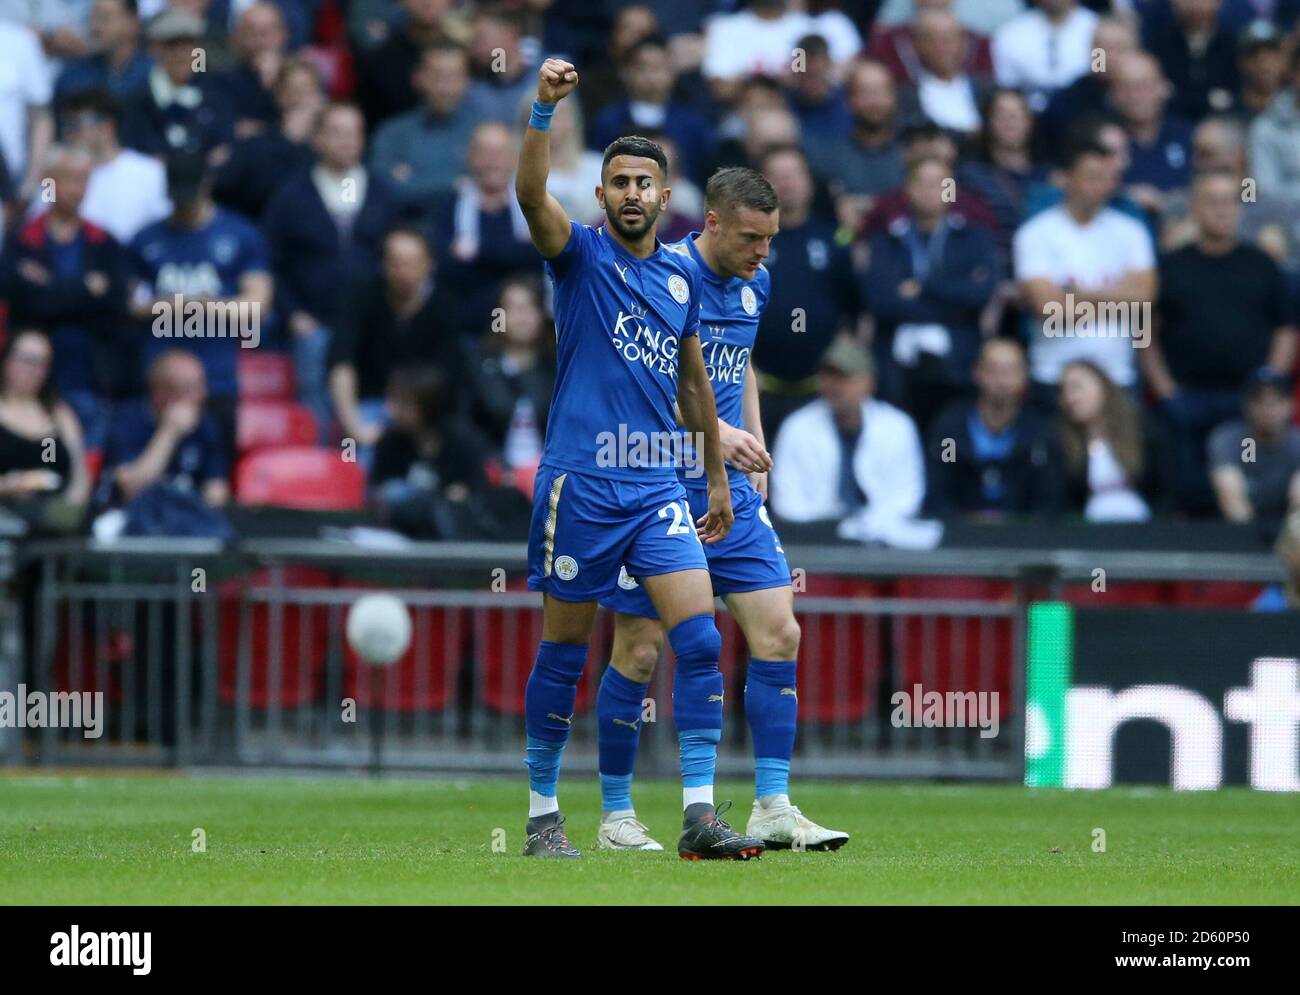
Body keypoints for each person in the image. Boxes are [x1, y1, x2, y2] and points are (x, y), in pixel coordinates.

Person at [514, 59, 746, 860]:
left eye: (645, 182)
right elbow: (528, 197)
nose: (632, 193)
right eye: (618, 181)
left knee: (702, 638)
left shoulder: (682, 279)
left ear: (666, 194)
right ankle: (545, 814)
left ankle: (698, 812)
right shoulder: (577, 257)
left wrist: (715, 473)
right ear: (603, 193)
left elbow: (692, 383)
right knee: (566, 650)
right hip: (579, 482)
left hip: (655, 487)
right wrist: (543, 112)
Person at [593, 167, 848, 854]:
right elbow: (643, 381)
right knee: (640, 649)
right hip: (655, 488)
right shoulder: (661, 276)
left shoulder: (755, 281)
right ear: (709, 222)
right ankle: (617, 815)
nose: (761, 253)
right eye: (749, 238)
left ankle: (772, 804)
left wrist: (750, 435)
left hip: (728, 491)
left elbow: (740, 369)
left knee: (779, 633)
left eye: (769, 239)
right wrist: (714, 433)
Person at [1146, 170, 1296, 514]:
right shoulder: (1171, 266)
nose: (1222, 210)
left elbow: (1285, 327)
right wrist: (1165, 387)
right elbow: (1145, 329)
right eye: (1212, 202)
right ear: (1194, 209)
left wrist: (1271, 380)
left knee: (1248, 484)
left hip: (1248, 401)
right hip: (1187, 398)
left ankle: (1248, 551)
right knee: (1188, 488)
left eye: (1230, 202)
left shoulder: (1262, 265)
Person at [263, 101, 400, 443]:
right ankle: (321, 472)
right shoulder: (291, 195)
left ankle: (368, 478)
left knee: (374, 402)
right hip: (315, 322)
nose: (345, 141)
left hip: (372, 324)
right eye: (336, 132)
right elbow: (270, 264)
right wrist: (293, 313)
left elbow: (398, 255)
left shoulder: (383, 193)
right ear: (317, 139)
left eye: (353, 133)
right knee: (316, 404)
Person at [127, 150, 272, 458]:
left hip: (216, 379)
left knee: (215, 476)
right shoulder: (145, 239)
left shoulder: (240, 235)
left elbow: (257, 305)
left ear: (207, 183)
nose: (183, 203)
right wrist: (171, 305)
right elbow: (132, 304)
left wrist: (204, 306)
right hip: (159, 379)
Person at [2, 144, 129, 451]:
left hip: (91, 377)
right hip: (34, 385)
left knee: (90, 465)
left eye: (84, 180)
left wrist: (52, 287)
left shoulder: (104, 242)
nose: (78, 189)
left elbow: (113, 305)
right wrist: (84, 289)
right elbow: (25, 300)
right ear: (49, 182)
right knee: (42, 464)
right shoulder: (22, 239)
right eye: (69, 179)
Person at [862, 154, 999, 431]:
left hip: (958, 366)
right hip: (895, 369)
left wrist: (923, 286)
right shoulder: (887, 239)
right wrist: (951, 305)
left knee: (949, 441)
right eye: (921, 183)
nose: (930, 191)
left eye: (939, 183)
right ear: (907, 190)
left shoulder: (975, 238)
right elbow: (881, 301)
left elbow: (980, 294)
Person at [1014, 141, 1156, 404]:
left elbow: (1144, 302)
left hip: (1117, 374)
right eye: (1090, 177)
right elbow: (1050, 311)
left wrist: (1080, 294)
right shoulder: (1035, 233)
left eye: (1105, 178)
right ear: (1066, 178)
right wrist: (1118, 298)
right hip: (1052, 373)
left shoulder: (1131, 231)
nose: (1099, 186)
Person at [753, 144, 861, 439]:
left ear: (809, 182)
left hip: (824, 388)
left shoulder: (835, 238)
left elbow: (854, 308)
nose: (786, 184)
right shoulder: (747, 241)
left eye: (794, 175)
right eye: (777, 176)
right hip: (759, 388)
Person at [327, 226, 460, 460]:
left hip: (426, 412)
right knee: (359, 461)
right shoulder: (361, 299)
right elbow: (341, 363)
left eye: (410, 263)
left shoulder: (445, 306)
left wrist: (406, 417)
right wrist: (354, 425)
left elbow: (446, 377)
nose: (401, 271)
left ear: (429, 264)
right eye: (394, 262)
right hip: (369, 407)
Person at [770, 336, 925, 533]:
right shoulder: (796, 427)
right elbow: (787, 502)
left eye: (846, 377)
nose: (836, 385)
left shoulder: (898, 427)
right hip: (814, 542)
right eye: (829, 375)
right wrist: (835, 528)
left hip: (884, 542)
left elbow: (908, 497)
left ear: (869, 382)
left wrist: (865, 526)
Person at [925, 338, 1061, 517]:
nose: (1002, 380)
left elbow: (1050, 501)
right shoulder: (950, 432)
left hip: (1024, 537)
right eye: (993, 370)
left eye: (1011, 371)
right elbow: (939, 484)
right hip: (960, 535)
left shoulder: (1041, 434)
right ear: (976, 372)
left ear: (1025, 376)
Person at [99, 348, 229, 509]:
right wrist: (168, 433)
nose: (202, 394)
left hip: (183, 518)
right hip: (129, 517)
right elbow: (133, 489)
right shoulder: (126, 421)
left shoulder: (205, 424)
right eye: (190, 388)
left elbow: (216, 490)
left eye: (201, 384)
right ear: (160, 394)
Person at [368, 41, 479, 210]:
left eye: (454, 77)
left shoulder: (483, 132)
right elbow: (384, 191)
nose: (445, 88)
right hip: (406, 230)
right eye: (437, 76)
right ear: (418, 78)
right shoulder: (391, 133)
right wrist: (456, 183)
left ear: (467, 81)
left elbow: (493, 187)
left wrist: (414, 181)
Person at [0, 328, 91, 533]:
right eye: (27, 360)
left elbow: (80, 474)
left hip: (54, 512)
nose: (34, 370)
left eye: (41, 363)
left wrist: (72, 506)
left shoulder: (58, 414)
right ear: (7, 360)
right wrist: (9, 485)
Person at [1057, 359, 1167, 522]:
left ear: (1103, 386)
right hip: (1086, 533)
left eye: (1077, 387)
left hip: (1144, 528)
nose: (1070, 397)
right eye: (1064, 391)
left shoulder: (1143, 429)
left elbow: (1164, 488)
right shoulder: (1063, 442)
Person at [57, 88, 169, 245]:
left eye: (76, 124)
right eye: (66, 125)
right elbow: (42, 220)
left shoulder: (151, 172)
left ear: (106, 127)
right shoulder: (58, 175)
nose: (69, 133)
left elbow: (165, 227)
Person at [465, 275, 554, 473]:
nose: (521, 316)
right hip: (493, 474)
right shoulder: (479, 365)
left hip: (550, 476)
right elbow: (467, 428)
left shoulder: (558, 366)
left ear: (542, 314)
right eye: (512, 308)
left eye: (529, 306)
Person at [1208, 368, 1300, 527]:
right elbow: (1231, 499)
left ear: (1291, 405)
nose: (1269, 408)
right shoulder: (1228, 439)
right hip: (1239, 533)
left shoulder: (1297, 442)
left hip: (1289, 532)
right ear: (1246, 405)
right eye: (1260, 400)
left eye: (1278, 400)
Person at [54, 0, 152, 105]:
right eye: (92, 17)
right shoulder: (72, 79)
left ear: (132, 21)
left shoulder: (154, 74)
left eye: (105, 18)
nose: (95, 27)